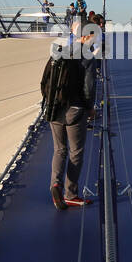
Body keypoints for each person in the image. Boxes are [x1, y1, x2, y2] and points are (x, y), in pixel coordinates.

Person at [41, 36, 96, 210]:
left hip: (54, 108)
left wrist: (50, 102)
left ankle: (55, 184)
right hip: (75, 109)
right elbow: (89, 87)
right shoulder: (87, 57)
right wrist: (90, 108)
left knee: (59, 149)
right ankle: (70, 194)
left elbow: (44, 82)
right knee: (76, 151)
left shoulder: (58, 53)